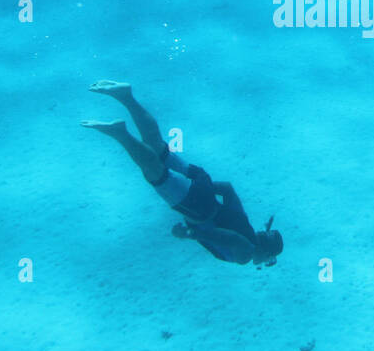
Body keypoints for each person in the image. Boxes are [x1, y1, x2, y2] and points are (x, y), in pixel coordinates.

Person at [82, 81, 282, 268]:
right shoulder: (246, 254)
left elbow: (228, 188)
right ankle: (121, 133)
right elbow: (232, 239)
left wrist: (198, 186)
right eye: (269, 261)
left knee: (157, 146)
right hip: (197, 208)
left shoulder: (244, 221)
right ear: (265, 253)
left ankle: (126, 96)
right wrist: (190, 233)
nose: (262, 263)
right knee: (155, 173)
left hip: (201, 182)